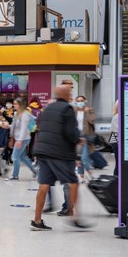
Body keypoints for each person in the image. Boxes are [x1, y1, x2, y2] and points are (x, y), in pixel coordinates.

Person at [29, 84, 90, 231]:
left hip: (42, 151)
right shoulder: (67, 109)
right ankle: (74, 216)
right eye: (69, 92)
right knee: (73, 182)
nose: (71, 95)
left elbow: (41, 128)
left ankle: (37, 220)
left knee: (43, 185)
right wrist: (79, 140)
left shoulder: (47, 109)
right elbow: (70, 133)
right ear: (66, 95)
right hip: (59, 153)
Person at [74, 95, 96, 175]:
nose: (80, 102)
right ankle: (82, 176)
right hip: (76, 137)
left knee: (84, 157)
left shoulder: (90, 110)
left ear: (85, 101)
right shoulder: (74, 111)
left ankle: (90, 173)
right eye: (78, 101)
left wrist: (86, 112)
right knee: (79, 158)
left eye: (82, 101)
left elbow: (92, 121)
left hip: (86, 137)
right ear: (76, 102)